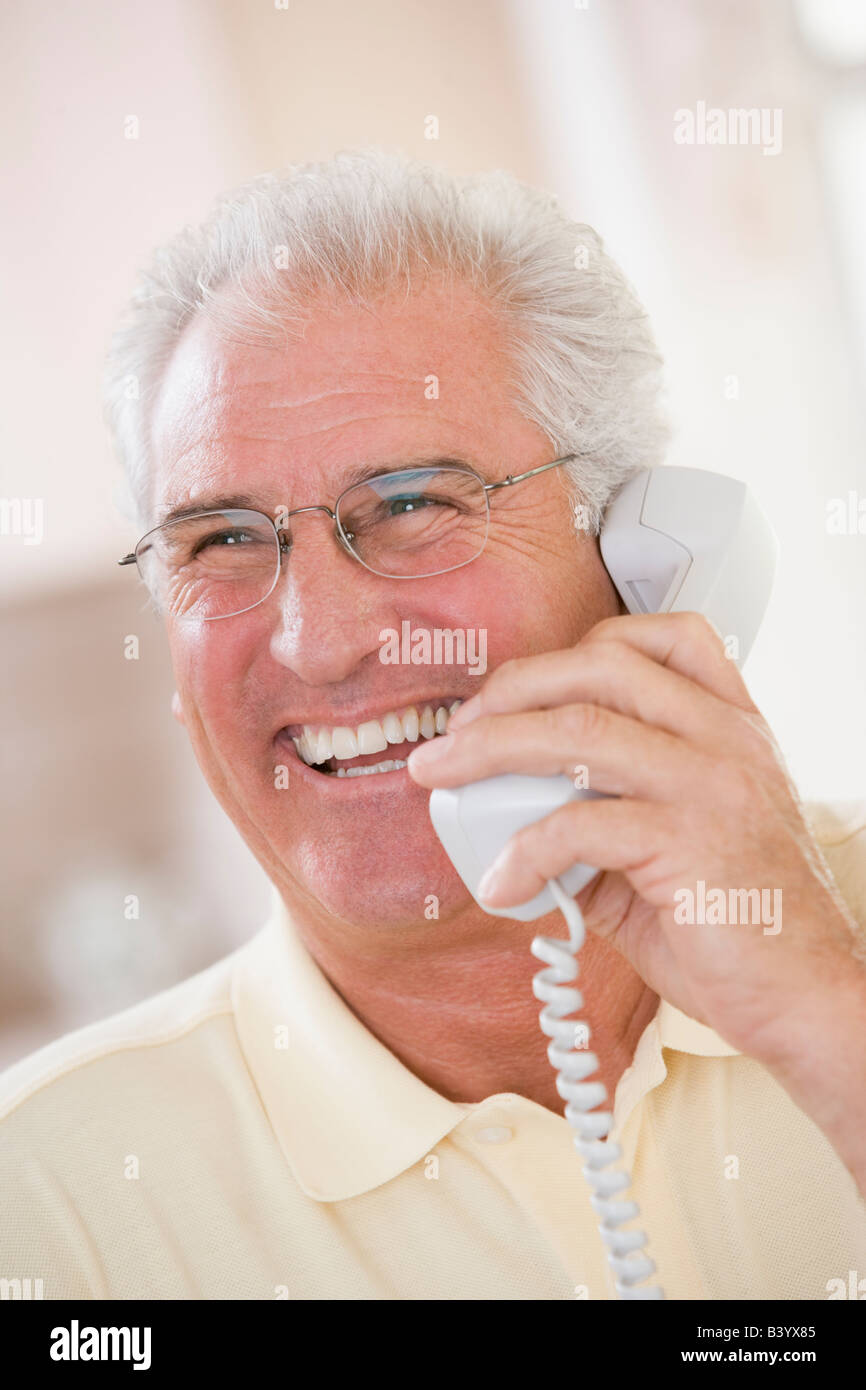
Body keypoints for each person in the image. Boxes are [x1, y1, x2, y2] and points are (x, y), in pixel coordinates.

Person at [2, 149, 864, 1301]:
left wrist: (822, 1015)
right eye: (219, 540)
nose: (318, 640)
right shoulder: (47, 1204)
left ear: (640, 558)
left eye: (410, 504)